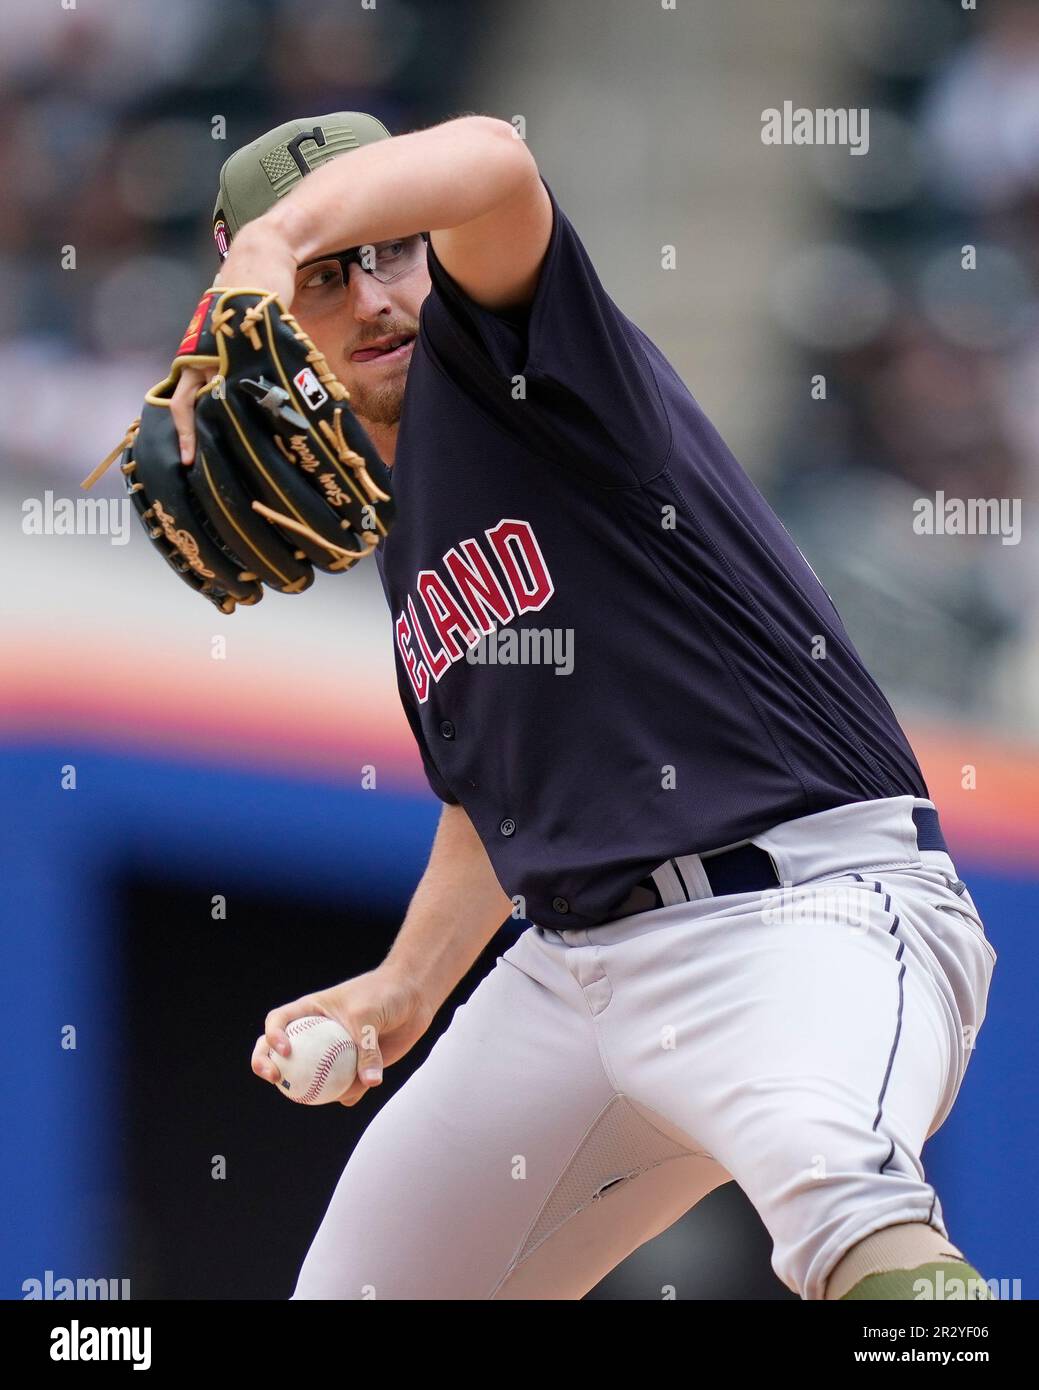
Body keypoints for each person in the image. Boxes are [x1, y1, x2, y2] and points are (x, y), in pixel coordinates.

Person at [178, 112, 997, 1300]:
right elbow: (505, 792)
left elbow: (496, 164)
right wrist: (405, 983)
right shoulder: (394, 506)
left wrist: (284, 233)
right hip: (574, 967)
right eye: (324, 278)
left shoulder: (516, 354)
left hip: (800, 907)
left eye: (390, 251)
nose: (372, 298)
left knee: (844, 1209)